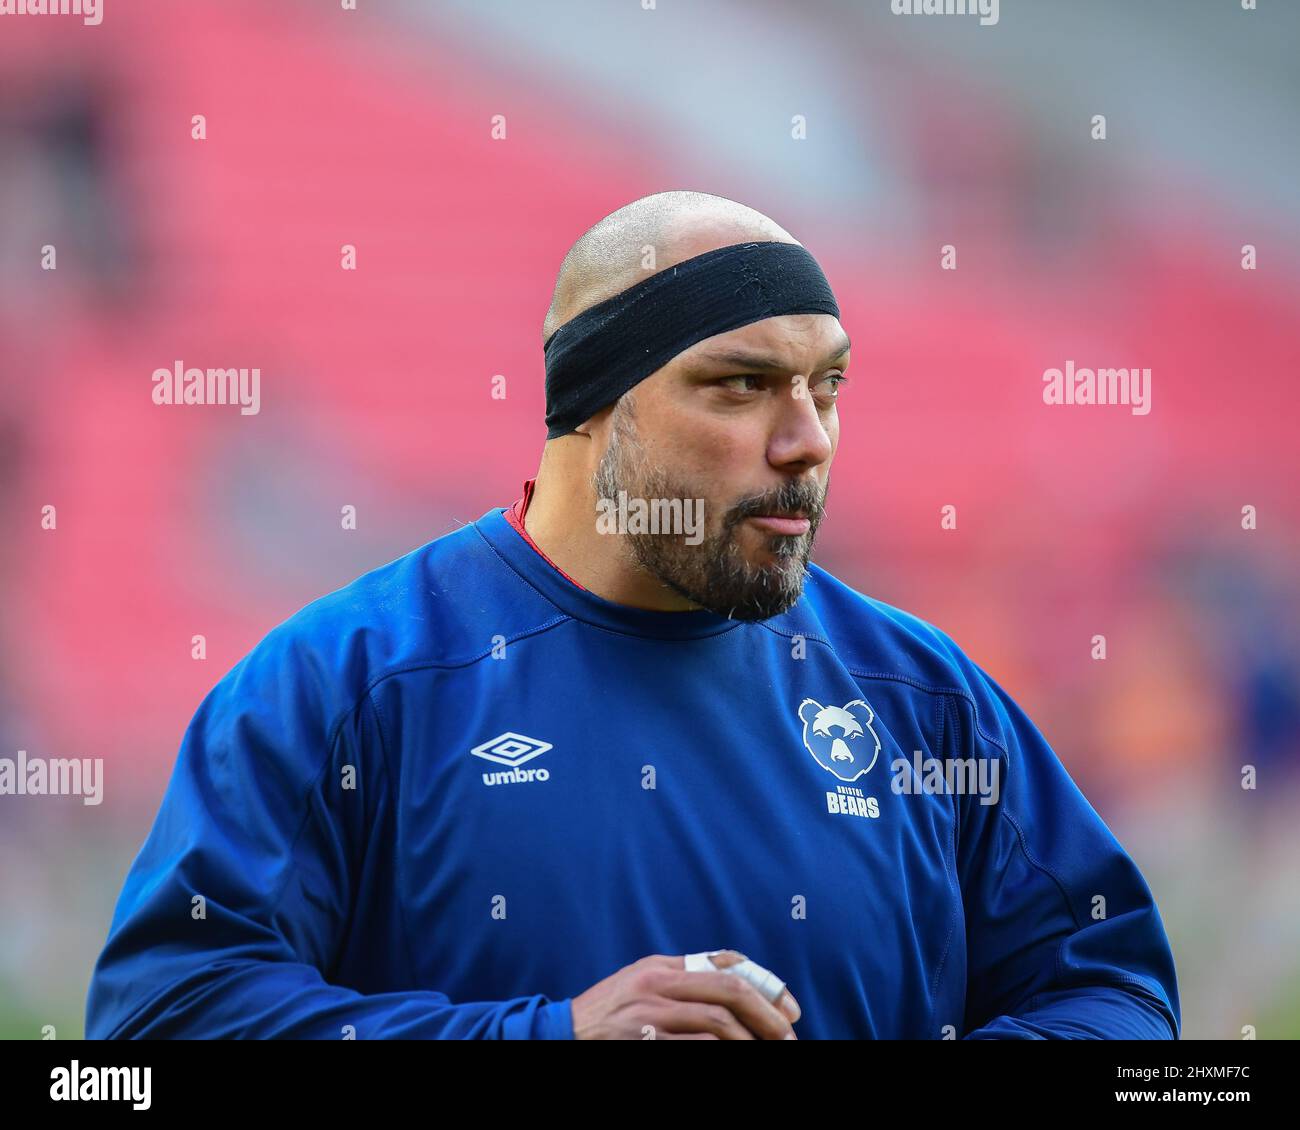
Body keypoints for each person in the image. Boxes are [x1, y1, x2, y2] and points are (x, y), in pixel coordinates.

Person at [85, 190, 1179, 1039]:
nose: (807, 441)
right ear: (594, 411)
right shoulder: (351, 684)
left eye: (827, 386)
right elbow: (148, 1029)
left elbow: (1113, 986)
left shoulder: (921, 699)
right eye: (740, 386)